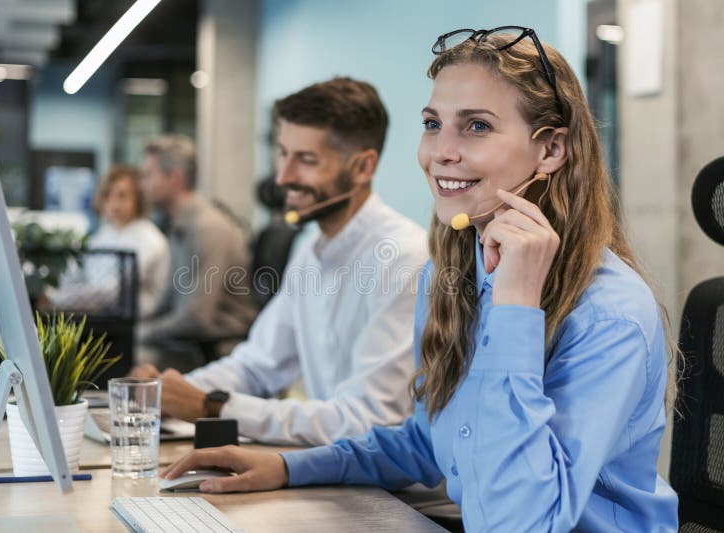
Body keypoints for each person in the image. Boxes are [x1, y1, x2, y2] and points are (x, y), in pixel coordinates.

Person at [159, 28, 679, 532]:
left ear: (550, 150)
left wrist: (517, 308)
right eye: (434, 123)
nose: (440, 152)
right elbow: (430, 439)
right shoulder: (454, 270)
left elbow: (519, 522)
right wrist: (290, 467)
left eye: (476, 126)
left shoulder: (608, 314)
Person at [131, 78, 428, 446]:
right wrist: (168, 392)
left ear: (363, 167)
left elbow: (371, 420)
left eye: (306, 160)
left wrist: (214, 407)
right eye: (283, 153)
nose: (284, 177)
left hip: (397, 497)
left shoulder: (403, 257)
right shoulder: (310, 252)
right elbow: (257, 365)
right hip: (338, 472)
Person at [137, 134, 257, 349]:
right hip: (195, 344)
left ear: (174, 178)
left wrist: (141, 334)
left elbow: (196, 318)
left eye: (148, 175)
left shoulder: (207, 228)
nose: (142, 184)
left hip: (220, 350)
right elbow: (168, 302)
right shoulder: (179, 224)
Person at [88, 165, 169, 317]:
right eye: (107, 195)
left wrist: (59, 299)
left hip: (142, 328)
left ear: (138, 199)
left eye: (122, 196)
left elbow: (112, 290)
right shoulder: (102, 235)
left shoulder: (149, 238)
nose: (113, 204)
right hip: (107, 320)